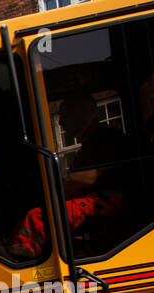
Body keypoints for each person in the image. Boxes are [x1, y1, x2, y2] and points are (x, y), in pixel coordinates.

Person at [12, 92, 129, 257]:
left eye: (64, 114)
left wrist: (58, 182)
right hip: (96, 199)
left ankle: (22, 260)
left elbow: (89, 178)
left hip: (106, 201)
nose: (60, 122)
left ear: (83, 112)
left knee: (37, 217)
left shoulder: (105, 138)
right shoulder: (93, 141)